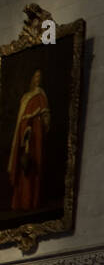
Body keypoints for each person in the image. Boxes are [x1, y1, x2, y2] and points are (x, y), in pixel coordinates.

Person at [7, 69, 50, 212]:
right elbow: (22, 119)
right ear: (32, 78)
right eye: (36, 76)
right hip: (25, 132)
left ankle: (32, 201)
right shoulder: (25, 97)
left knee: (33, 164)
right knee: (23, 167)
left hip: (36, 133)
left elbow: (45, 116)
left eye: (40, 77)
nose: (38, 79)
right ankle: (20, 202)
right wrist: (25, 130)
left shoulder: (40, 94)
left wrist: (41, 123)